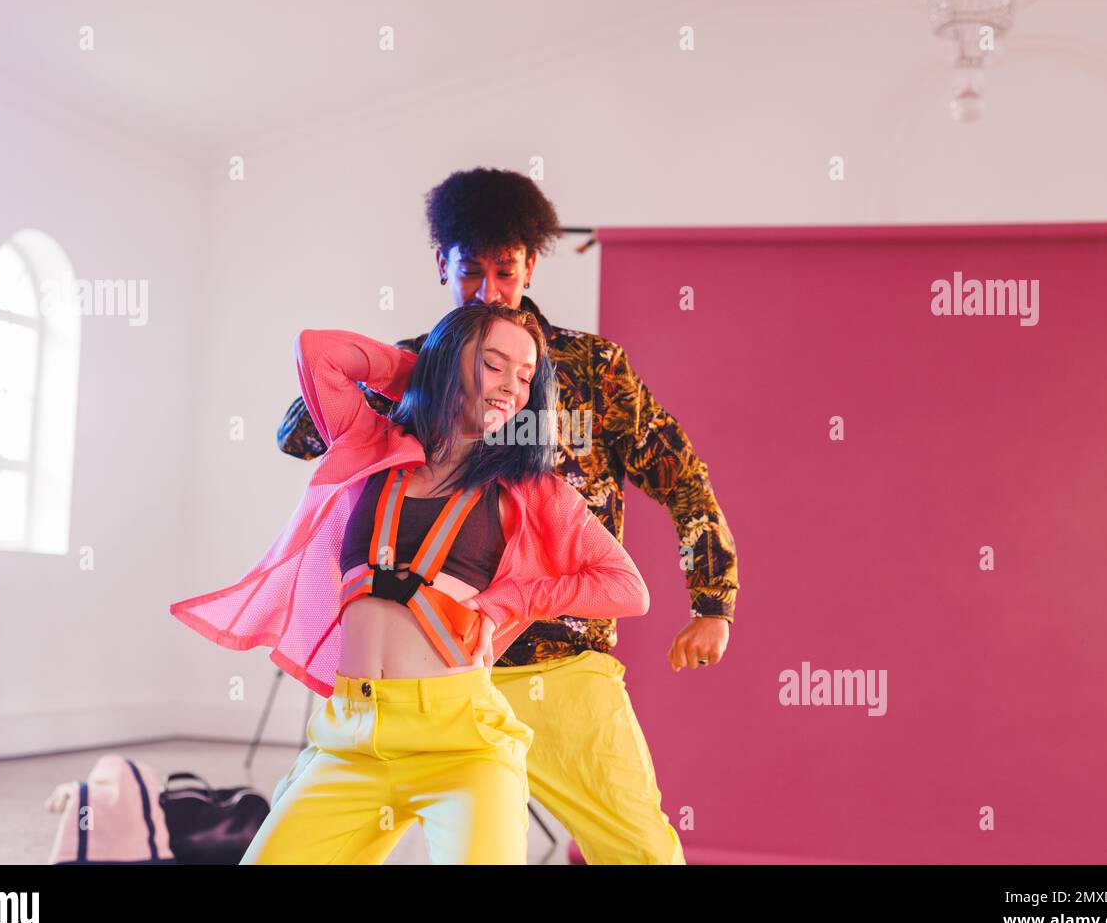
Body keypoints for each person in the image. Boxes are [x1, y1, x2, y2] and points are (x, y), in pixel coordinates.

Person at [276, 167, 739, 864]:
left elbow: (683, 475)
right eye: (471, 272)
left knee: (640, 850)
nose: (490, 290)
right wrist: (418, 367)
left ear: (530, 265)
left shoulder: (594, 367)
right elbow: (301, 434)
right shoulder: (416, 369)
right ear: (442, 264)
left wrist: (714, 599)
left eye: (505, 270)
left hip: (556, 662)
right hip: (421, 670)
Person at [170, 302, 650, 864]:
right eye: (493, 364)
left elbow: (627, 588)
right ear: (448, 361)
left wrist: (511, 600)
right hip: (351, 738)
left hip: (461, 742)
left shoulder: (528, 486)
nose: (511, 389)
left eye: (525, 377)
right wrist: (421, 374)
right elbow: (318, 352)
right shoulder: (369, 443)